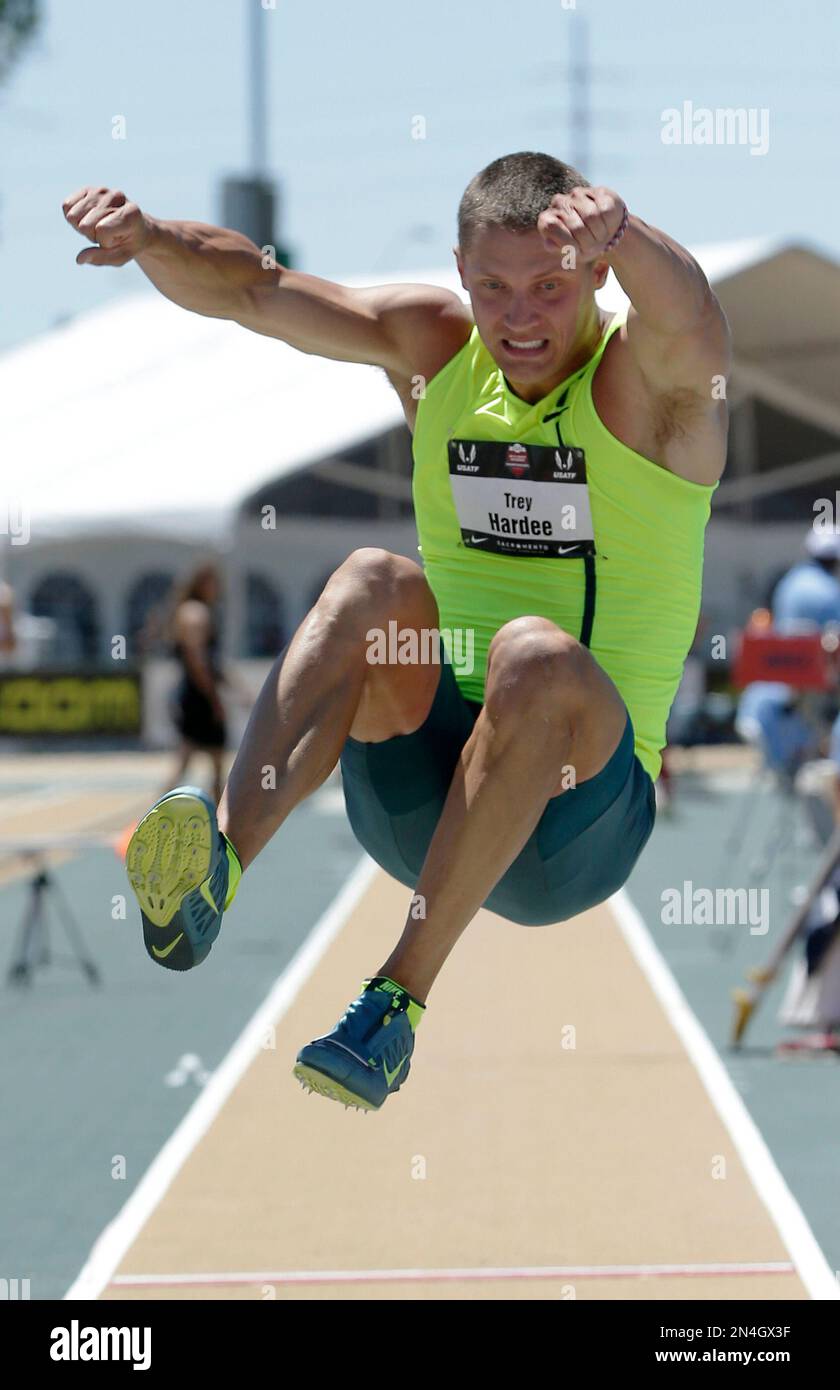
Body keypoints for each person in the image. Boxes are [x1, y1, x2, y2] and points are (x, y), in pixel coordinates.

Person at [63, 154, 731, 1110]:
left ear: (593, 274)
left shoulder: (652, 396)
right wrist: (152, 240)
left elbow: (695, 318)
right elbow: (257, 289)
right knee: (375, 582)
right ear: (461, 269)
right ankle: (219, 867)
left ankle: (393, 1005)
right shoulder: (436, 352)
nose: (519, 317)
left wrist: (629, 236)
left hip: (574, 821)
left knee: (533, 653)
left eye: (548, 286)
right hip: (419, 790)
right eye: (494, 287)